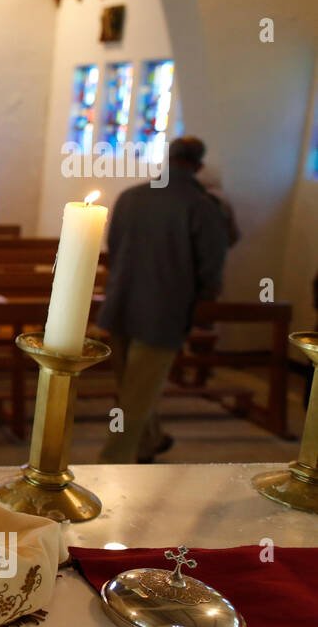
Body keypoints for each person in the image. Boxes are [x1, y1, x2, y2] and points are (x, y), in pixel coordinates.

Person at [98, 136, 230, 464]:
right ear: (198, 166)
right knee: (137, 395)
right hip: (163, 313)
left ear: (166, 160)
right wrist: (203, 304)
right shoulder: (200, 205)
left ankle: (150, 440)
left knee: (132, 387)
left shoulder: (130, 197)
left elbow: (113, 249)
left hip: (119, 304)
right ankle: (111, 462)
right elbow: (212, 264)